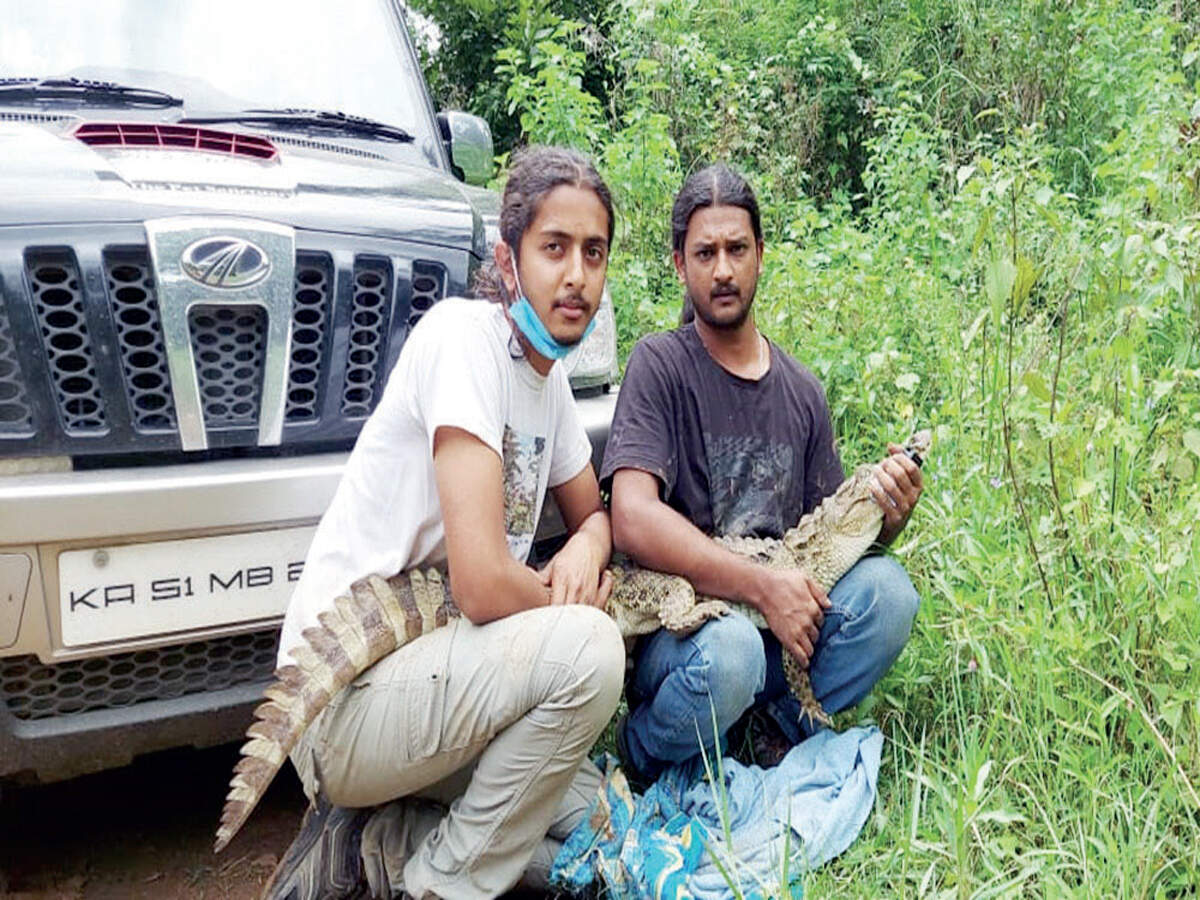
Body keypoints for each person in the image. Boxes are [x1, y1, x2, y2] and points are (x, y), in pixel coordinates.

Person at [262, 146, 625, 900]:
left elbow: (594, 513)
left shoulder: (548, 383)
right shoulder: (464, 339)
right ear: (508, 258)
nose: (576, 276)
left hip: (443, 680)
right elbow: (486, 585)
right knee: (588, 652)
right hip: (350, 699)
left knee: (602, 819)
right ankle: (439, 887)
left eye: (593, 253)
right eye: (554, 248)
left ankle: (372, 849)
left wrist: (590, 540)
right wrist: (578, 607)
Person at [600, 163, 922, 782]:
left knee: (888, 595)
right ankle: (645, 748)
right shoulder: (659, 365)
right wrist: (758, 587)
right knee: (733, 651)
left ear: (760, 255)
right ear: (679, 264)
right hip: (694, 638)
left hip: (780, 633)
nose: (723, 269)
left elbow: (827, 549)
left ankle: (775, 725)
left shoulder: (801, 390)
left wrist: (889, 519)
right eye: (705, 252)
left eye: (737, 249)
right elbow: (631, 517)